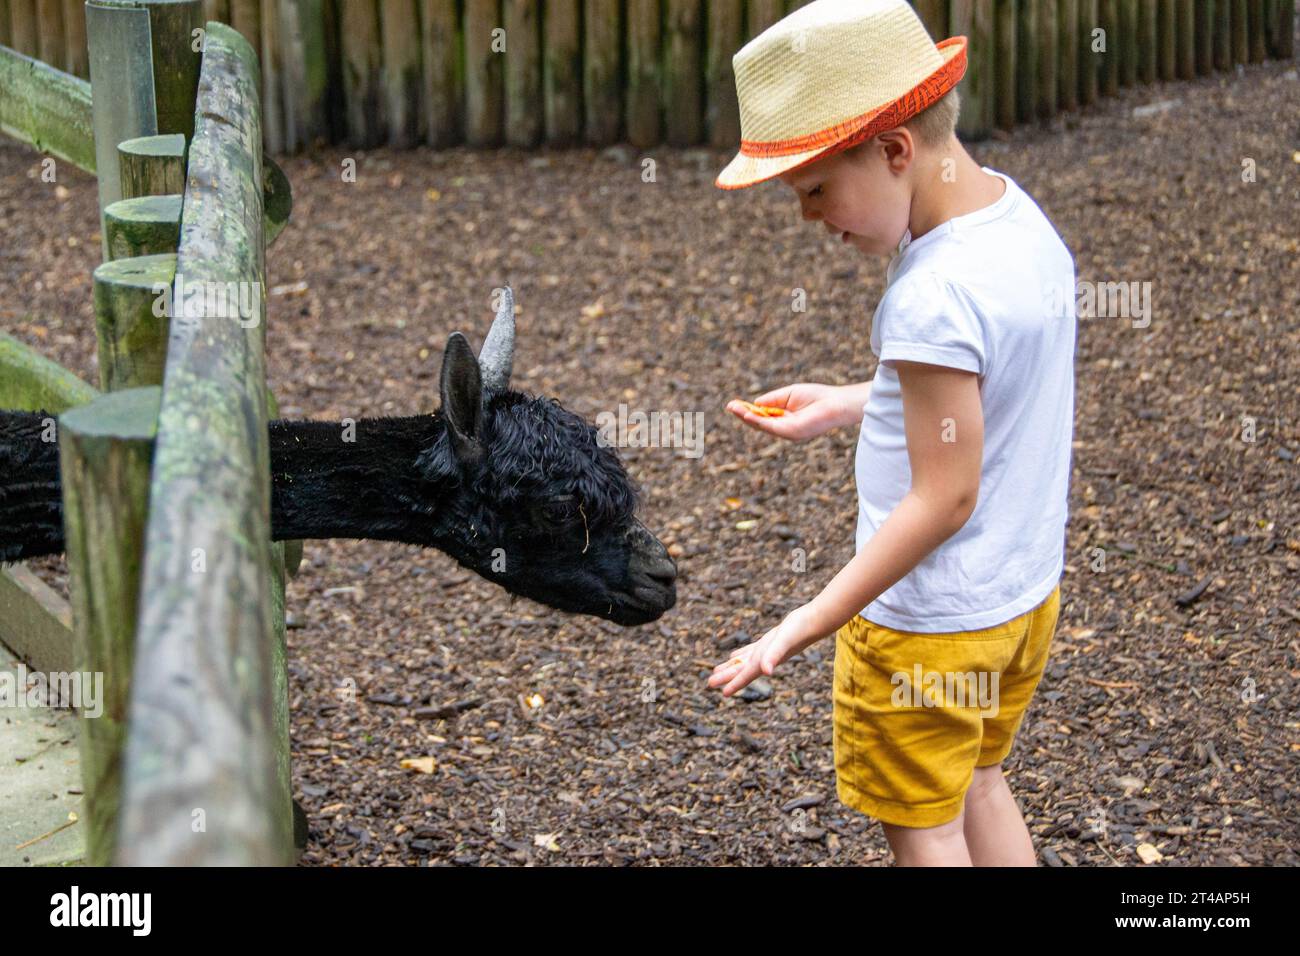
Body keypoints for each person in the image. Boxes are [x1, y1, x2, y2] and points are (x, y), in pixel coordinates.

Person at [706, 0, 1076, 867]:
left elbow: (945, 495)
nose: (809, 219)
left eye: (814, 190)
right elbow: (992, 391)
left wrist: (810, 619)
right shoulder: (1023, 228)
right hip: (1019, 604)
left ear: (894, 149)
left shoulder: (928, 294)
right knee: (981, 784)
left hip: (925, 624)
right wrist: (853, 402)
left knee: (928, 827)